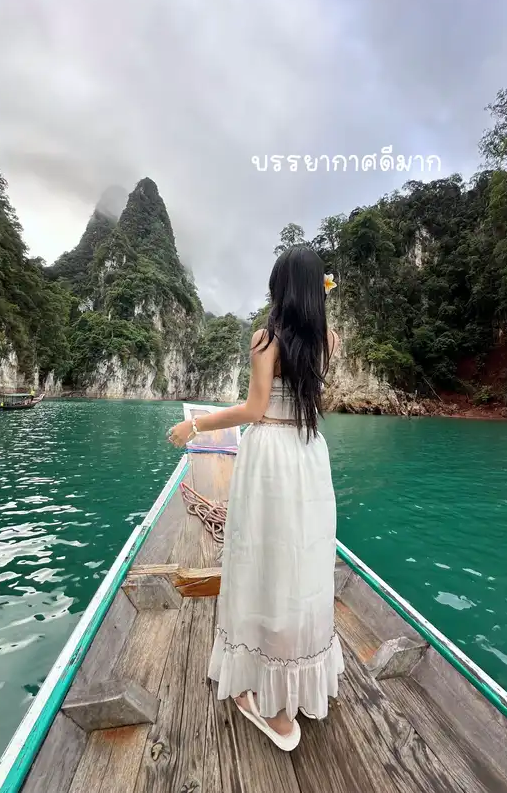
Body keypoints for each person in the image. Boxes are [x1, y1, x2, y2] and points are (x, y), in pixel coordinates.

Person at [167, 245, 343, 752]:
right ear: (317, 290)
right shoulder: (329, 340)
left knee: (262, 563)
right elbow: (305, 399)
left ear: (281, 288)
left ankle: (271, 705)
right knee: (302, 565)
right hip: (308, 455)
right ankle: (294, 685)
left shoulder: (266, 340)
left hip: (269, 458)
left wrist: (194, 426)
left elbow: (253, 409)